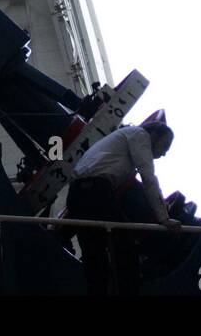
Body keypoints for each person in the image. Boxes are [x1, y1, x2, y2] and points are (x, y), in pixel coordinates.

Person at [67, 120, 180, 295]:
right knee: (125, 244)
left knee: (94, 254)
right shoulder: (140, 135)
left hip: (76, 194)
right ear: (154, 135)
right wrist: (163, 218)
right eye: (165, 145)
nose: (164, 153)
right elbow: (148, 177)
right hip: (97, 191)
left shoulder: (120, 140)